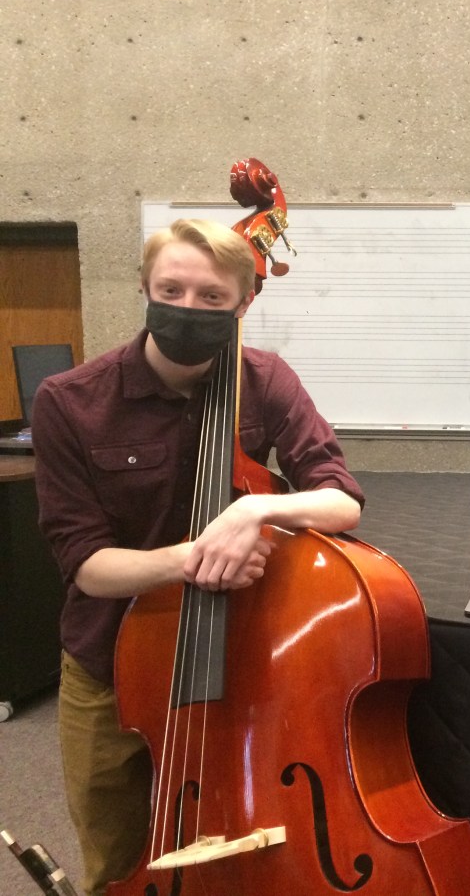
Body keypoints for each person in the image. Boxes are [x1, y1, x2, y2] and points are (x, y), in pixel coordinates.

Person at [32, 218, 366, 896]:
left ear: (243, 305)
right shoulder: (69, 402)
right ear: (145, 289)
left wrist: (254, 509)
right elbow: (88, 565)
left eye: (211, 298)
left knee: (247, 824)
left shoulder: (265, 380)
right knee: (115, 860)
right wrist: (196, 556)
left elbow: (341, 501)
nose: (188, 307)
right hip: (109, 664)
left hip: (235, 652)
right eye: (171, 289)